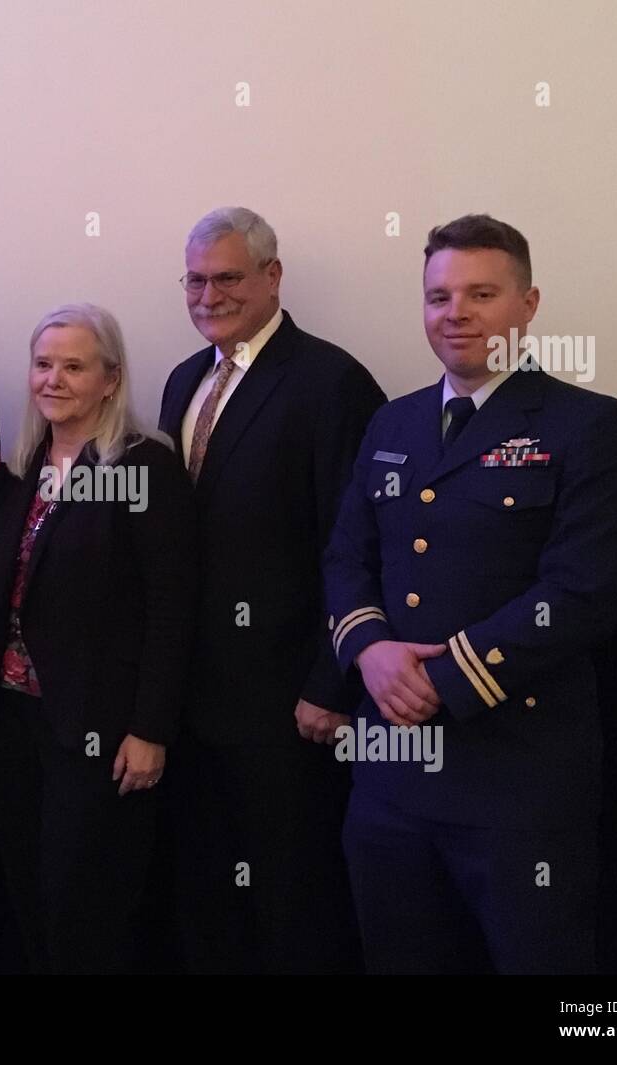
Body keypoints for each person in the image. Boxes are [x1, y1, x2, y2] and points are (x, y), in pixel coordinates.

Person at [323, 213, 617, 973]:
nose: (456, 313)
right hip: (390, 772)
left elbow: (582, 592)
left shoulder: (587, 426)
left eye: (481, 293)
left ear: (528, 305)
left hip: (517, 777)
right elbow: (346, 556)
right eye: (439, 296)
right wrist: (369, 651)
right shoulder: (391, 421)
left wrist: (439, 679)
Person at [157, 206, 385, 973]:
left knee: (294, 902)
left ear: (272, 276)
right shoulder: (186, 379)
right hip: (194, 704)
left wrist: (331, 680)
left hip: (289, 705)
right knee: (210, 899)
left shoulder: (331, 381)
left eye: (227, 278)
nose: (208, 295)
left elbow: (355, 546)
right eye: (195, 279)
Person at [0, 304, 196, 973]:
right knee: (25, 892)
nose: (53, 379)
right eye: (43, 364)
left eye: (74, 366)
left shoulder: (144, 467)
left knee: (85, 900)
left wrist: (150, 728)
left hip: (101, 727)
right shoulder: (23, 466)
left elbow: (173, 606)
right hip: (17, 718)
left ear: (111, 378)